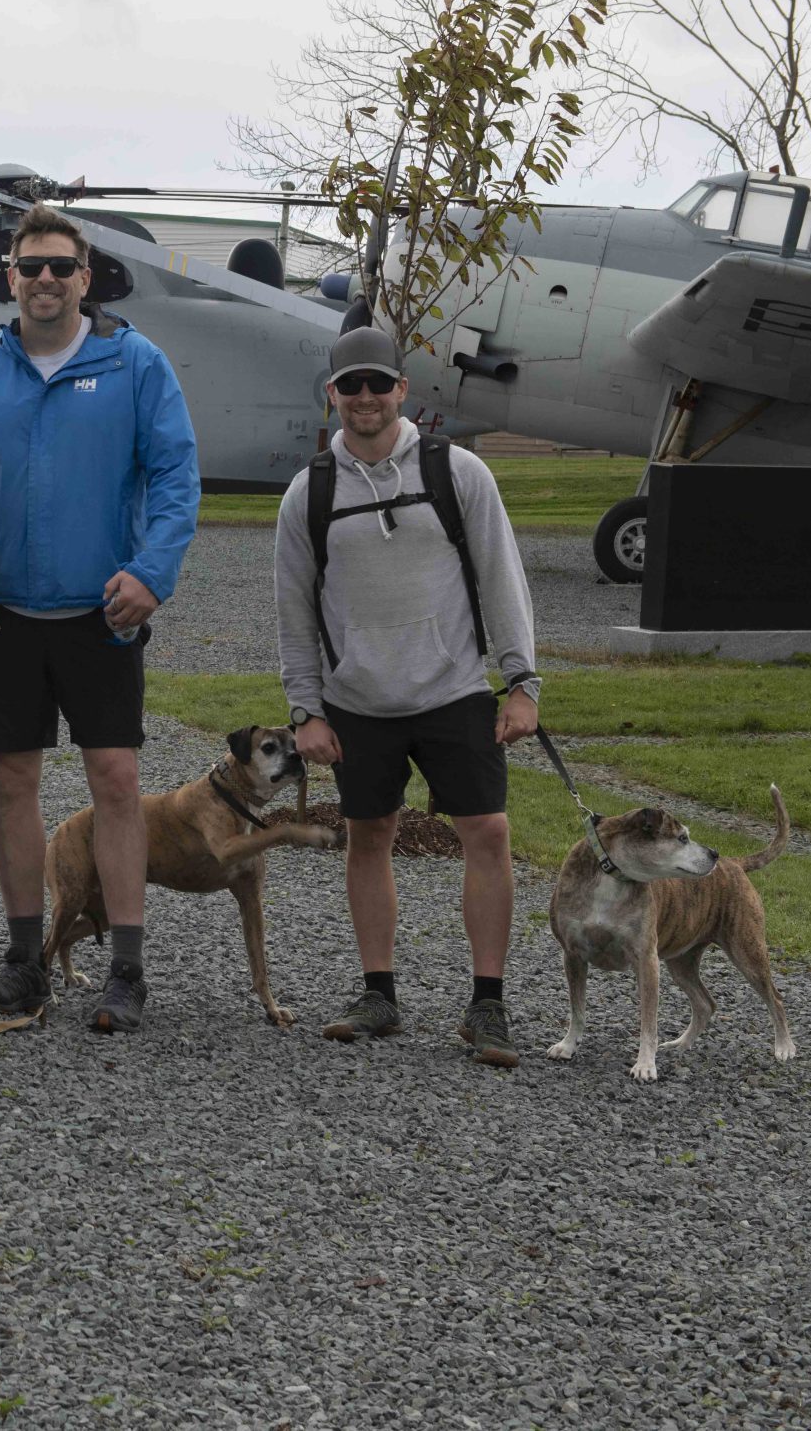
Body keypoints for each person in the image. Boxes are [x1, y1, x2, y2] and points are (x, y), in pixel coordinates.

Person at [0, 204, 200, 1029]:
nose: (46, 279)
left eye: (61, 266)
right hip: (3, 616)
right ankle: (25, 960)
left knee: (116, 783)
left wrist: (151, 575)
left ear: (86, 278)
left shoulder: (137, 365)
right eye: (31, 266)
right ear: (8, 277)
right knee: (10, 780)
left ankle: (126, 967)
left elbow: (174, 477)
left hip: (102, 612)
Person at [275, 323, 541, 1068]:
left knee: (487, 833)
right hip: (357, 701)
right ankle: (379, 994)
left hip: (454, 690)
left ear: (404, 389)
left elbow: (501, 579)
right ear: (331, 395)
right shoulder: (309, 493)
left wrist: (522, 683)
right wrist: (307, 709)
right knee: (369, 836)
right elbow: (293, 612)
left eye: (378, 383)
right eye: (349, 384)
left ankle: (487, 1003)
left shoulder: (459, 472)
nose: (365, 397)